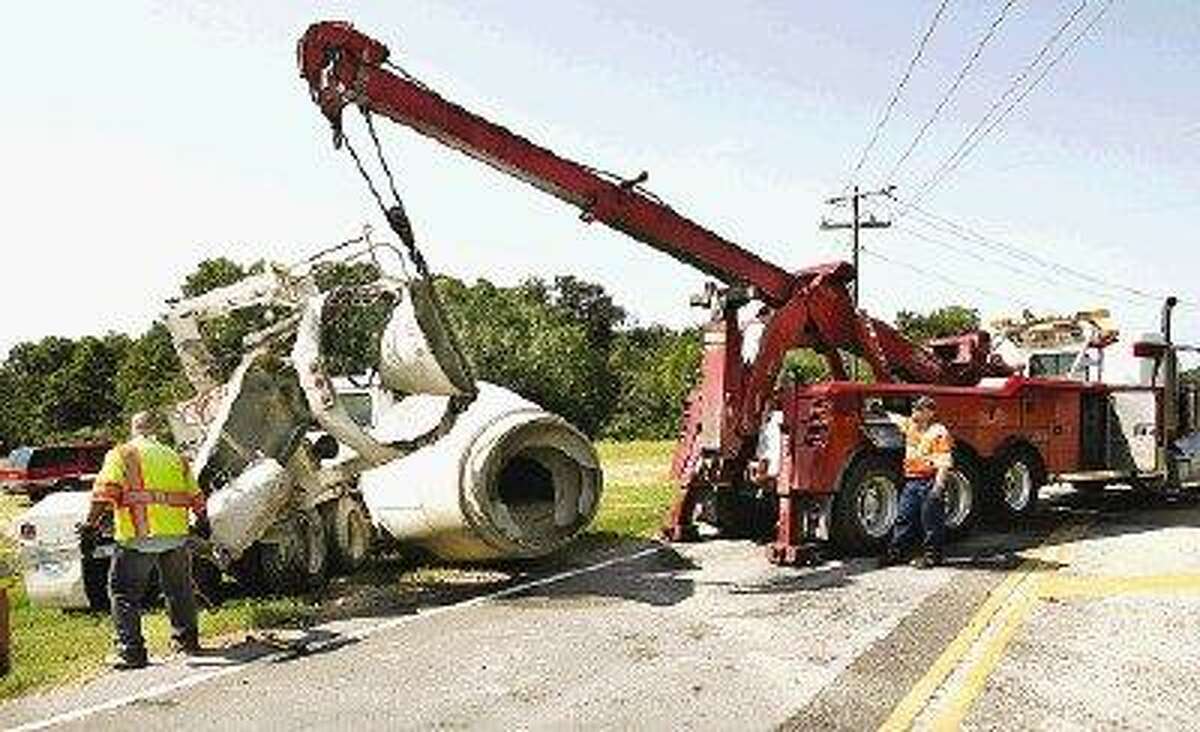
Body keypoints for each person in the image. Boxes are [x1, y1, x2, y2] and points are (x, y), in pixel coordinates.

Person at [79, 411, 208, 669]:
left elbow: (105, 492)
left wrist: (90, 526)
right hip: (175, 536)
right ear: (157, 430)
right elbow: (196, 497)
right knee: (179, 590)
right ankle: (187, 641)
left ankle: (131, 651)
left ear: (133, 428)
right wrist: (203, 522)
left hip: (138, 537)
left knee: (124, 593)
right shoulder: (176, 457)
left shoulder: (122, 454)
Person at [881, 395, 953, 569]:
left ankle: (932, 557)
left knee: (931, 522)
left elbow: (944, 462)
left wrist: (938, 487)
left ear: (930, 413)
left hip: (930, 481)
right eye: (914, 408)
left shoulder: (939, 432)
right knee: (904, 517)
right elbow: (894, 418)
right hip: (912, 481)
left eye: (920, 409)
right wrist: (880, 410)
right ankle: (896, 552)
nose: (915, 411)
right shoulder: (910, 426)